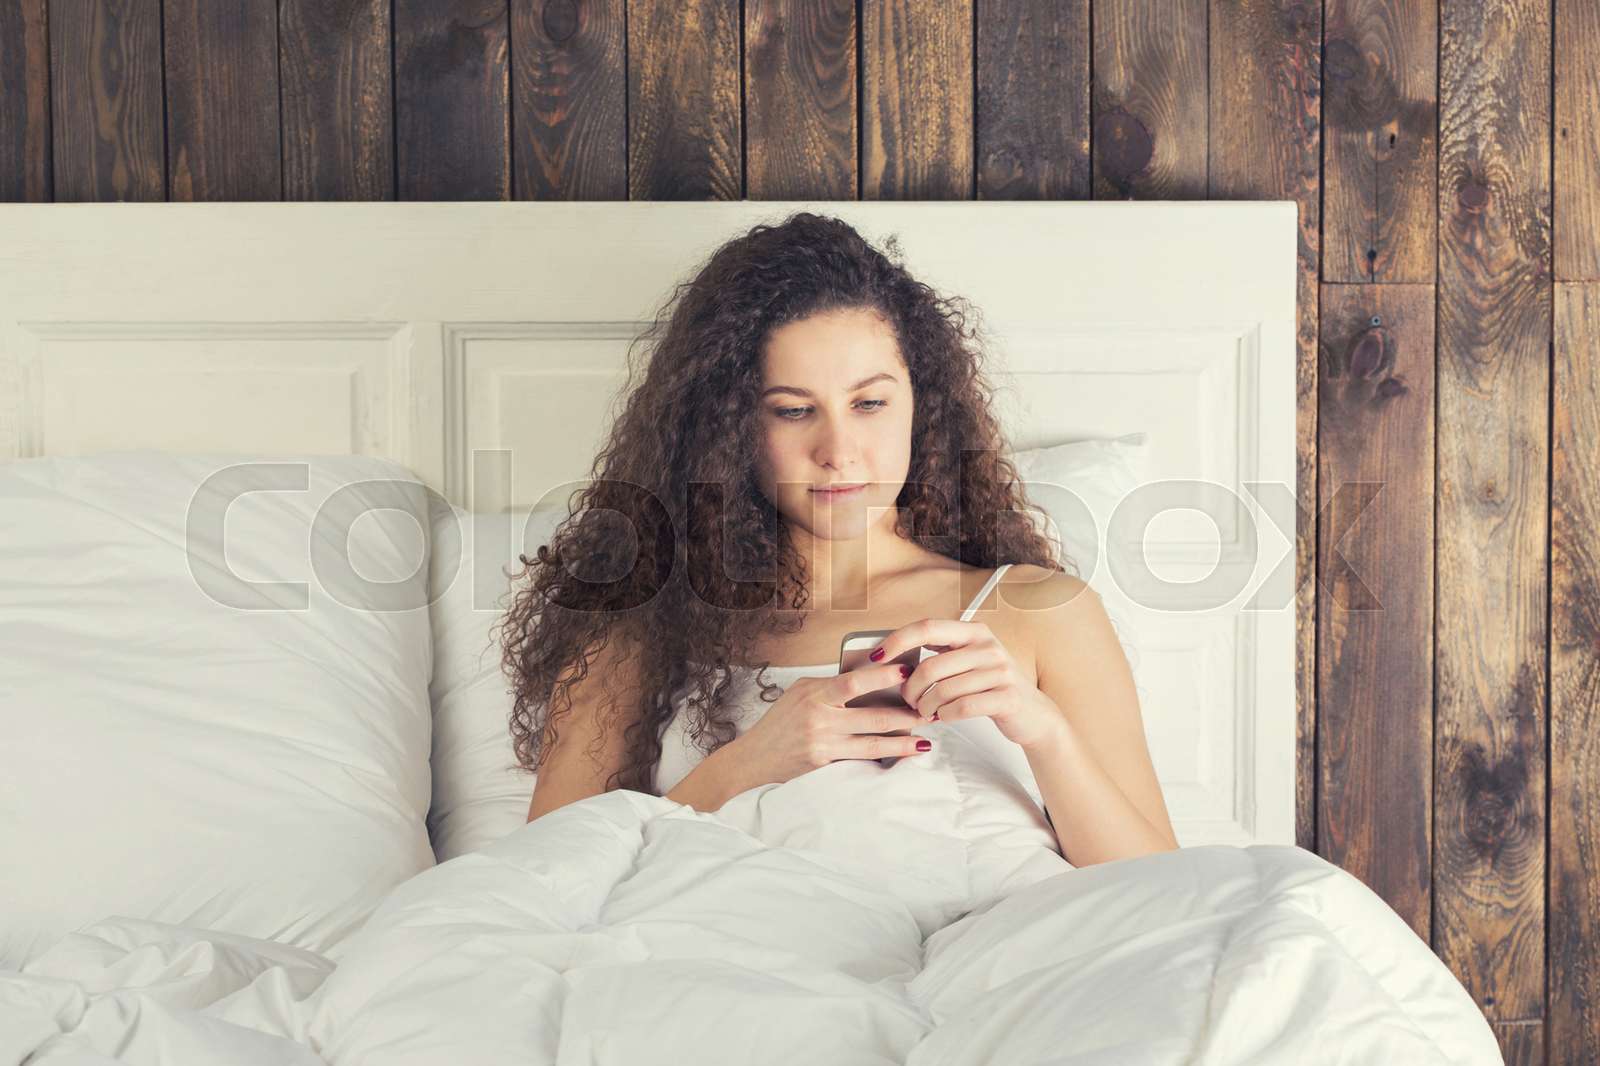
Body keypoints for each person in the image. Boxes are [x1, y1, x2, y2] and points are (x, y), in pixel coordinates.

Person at [501, 211, 1177, 865]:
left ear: (923, 405)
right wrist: (745, 765)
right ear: (726, 431)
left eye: (870, 404)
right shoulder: (637, 628)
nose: (839, 451)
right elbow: (544, 883)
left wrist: (1043, 731)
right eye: (795, 412)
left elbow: (1162, 887)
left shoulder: (1043, 611)